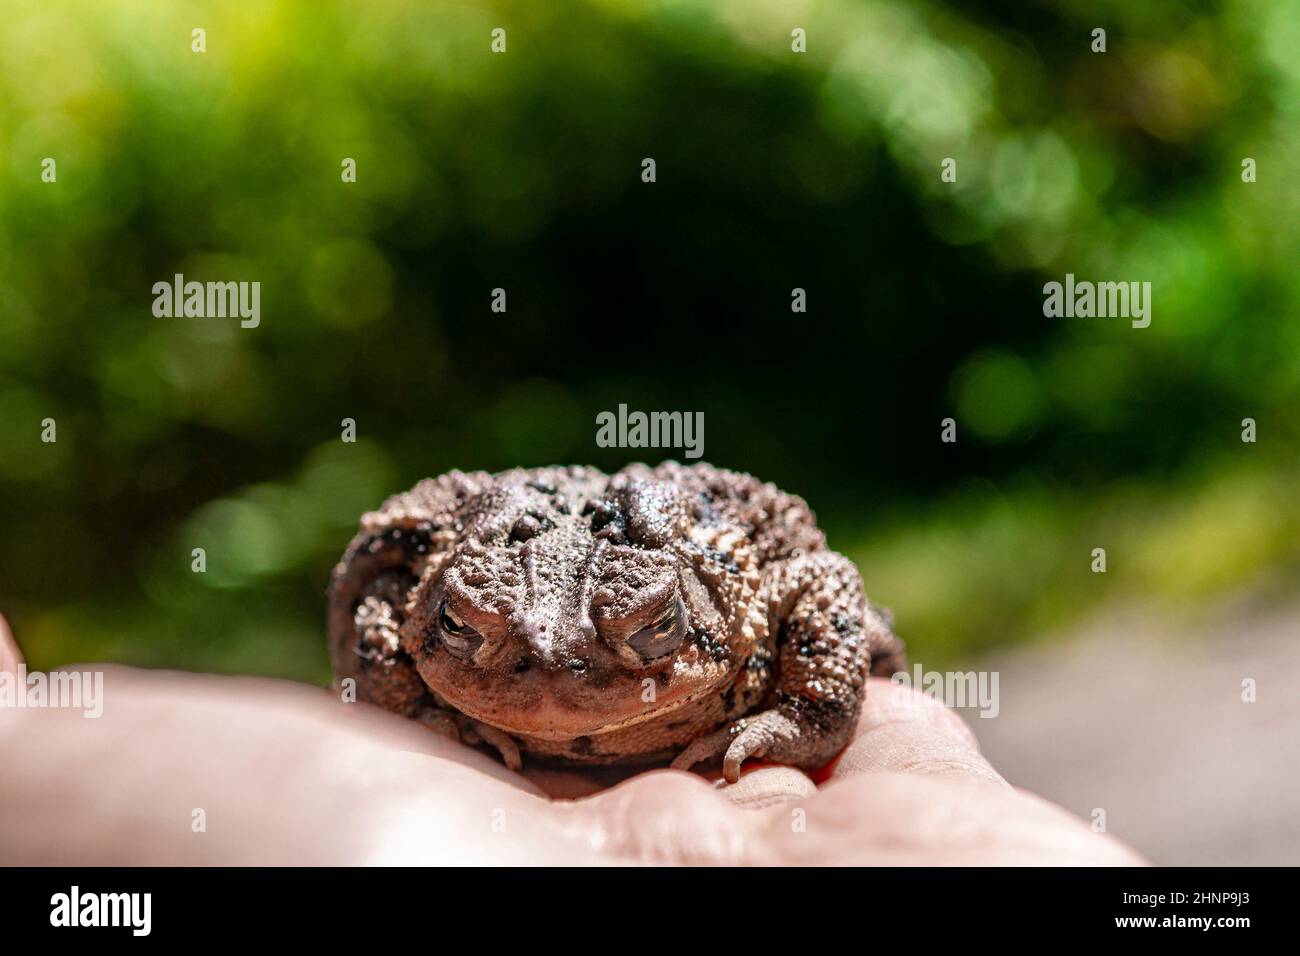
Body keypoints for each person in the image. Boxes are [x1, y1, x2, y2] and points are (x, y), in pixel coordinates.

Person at [0, 613, 1141, 865]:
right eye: (486, 640)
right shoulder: (431, 595)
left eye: (627, 643)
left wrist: (803, 713)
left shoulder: (739, 585)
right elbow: (379, 589)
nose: (555, 686)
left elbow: (826, 587)